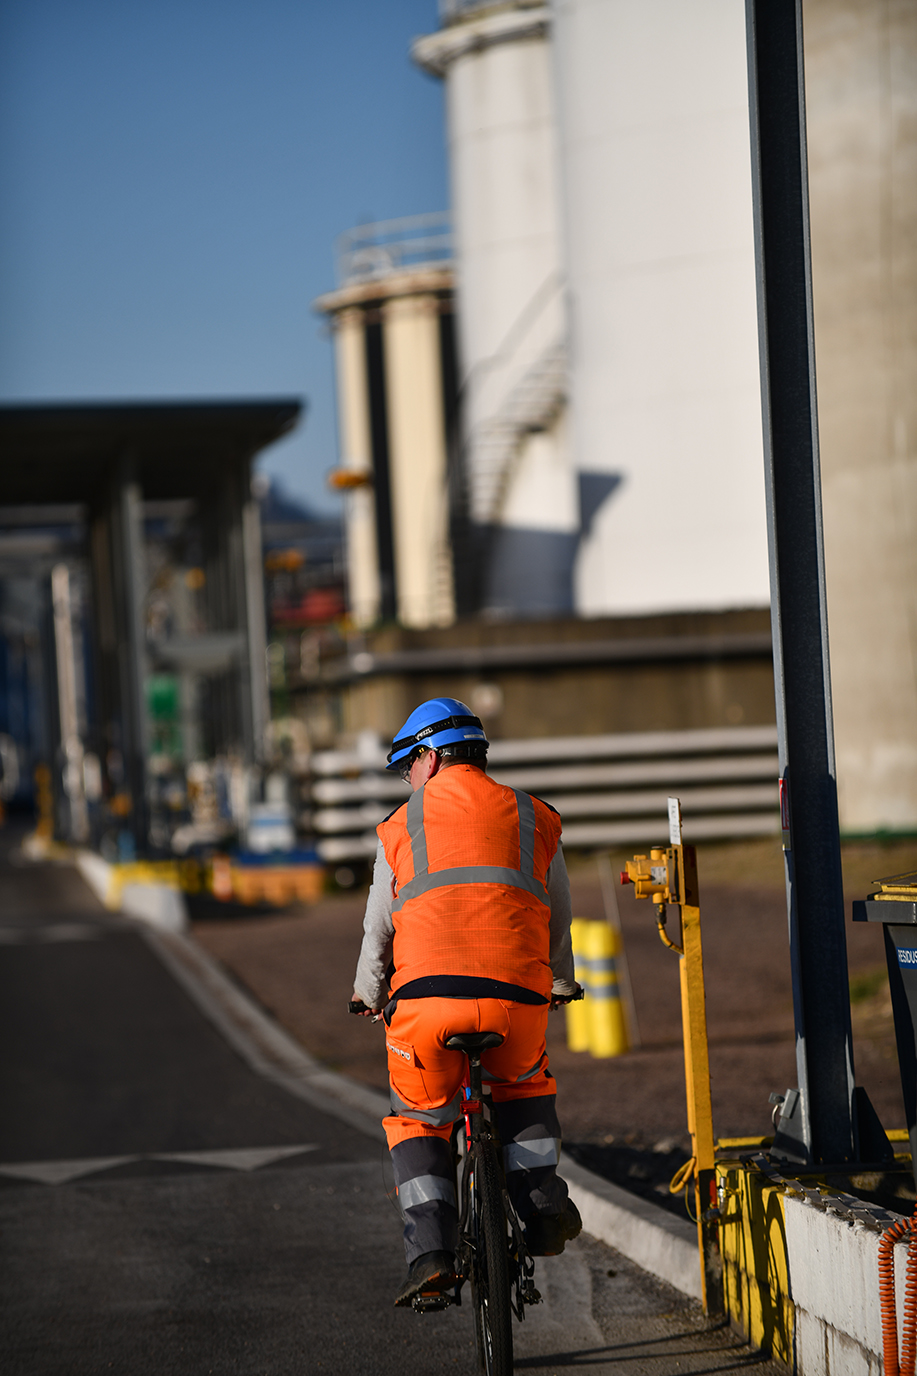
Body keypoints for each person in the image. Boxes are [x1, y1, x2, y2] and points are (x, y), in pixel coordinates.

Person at [350, 696, 583, 1309]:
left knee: (420, 1116)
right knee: (524, 1086)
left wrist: (367, 992)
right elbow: (556, 910)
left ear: (430, 757)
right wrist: (559, 981)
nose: (408, 781)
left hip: (426, 1010)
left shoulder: (400, 827)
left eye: (408, 766)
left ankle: (430, 1254)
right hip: (516, 1001)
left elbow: (379, 928)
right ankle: (539, 1206)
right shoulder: (535, 817)